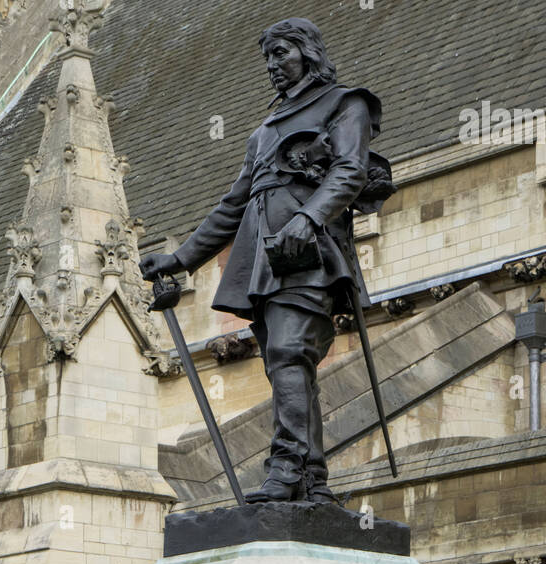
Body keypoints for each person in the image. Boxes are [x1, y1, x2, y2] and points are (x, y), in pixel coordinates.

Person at [139, 17, 393, 504]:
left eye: (282, 53)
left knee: (289, 352)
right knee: (284, 364)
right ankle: (312, 480)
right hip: (264, 263)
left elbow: (350, 170)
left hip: (310, 254)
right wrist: (180, 259)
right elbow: (232, 205)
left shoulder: (345, 103)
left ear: (307, 52)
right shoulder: (264, 132)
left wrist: (309, 217)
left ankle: (287, 467)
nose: (274, 65)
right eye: (269, 58)